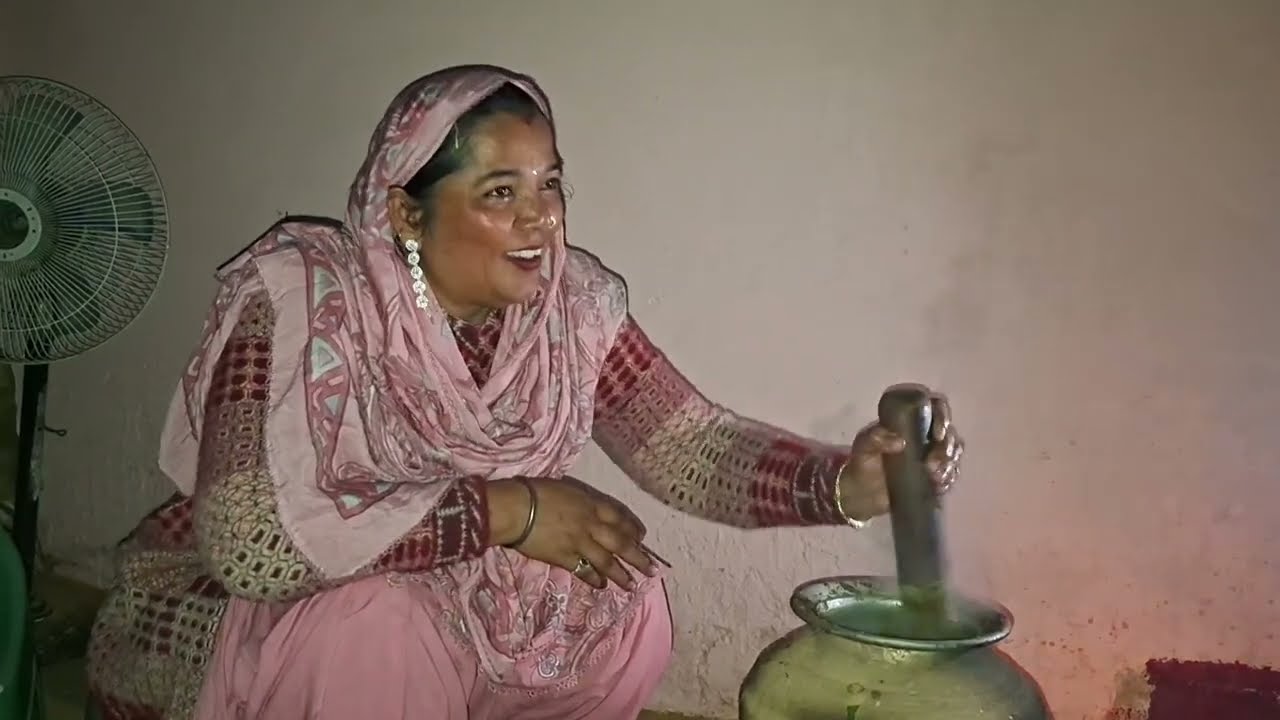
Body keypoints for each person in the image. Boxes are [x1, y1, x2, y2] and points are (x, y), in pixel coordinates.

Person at [86, 64, 964, 720]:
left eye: (550, 184)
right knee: (376, 627)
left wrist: (839, 486)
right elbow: (250, 543)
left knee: (627, 601)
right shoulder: (301, 300)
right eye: (500, 192)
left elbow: (688, 444)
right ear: (406, 214)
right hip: (305, 597)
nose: (542, 217)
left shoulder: (569, 308)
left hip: (466, 591)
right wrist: (510, 512)